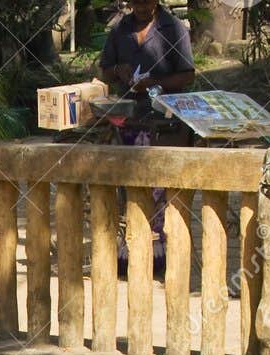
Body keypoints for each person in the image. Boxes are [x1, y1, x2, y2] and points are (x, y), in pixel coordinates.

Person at [98, 0, 194, 278]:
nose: (141, 6)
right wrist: (119, 71)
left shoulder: (173, 28)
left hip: (164, 120)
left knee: (159, 191)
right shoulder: (120, 29)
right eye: (135, 1)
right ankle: (128, 252)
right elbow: (104, 69)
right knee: (130, 190)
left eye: (146, 1)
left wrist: (157, 84)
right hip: (128, 119)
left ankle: (160, 254)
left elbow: (188, 74)